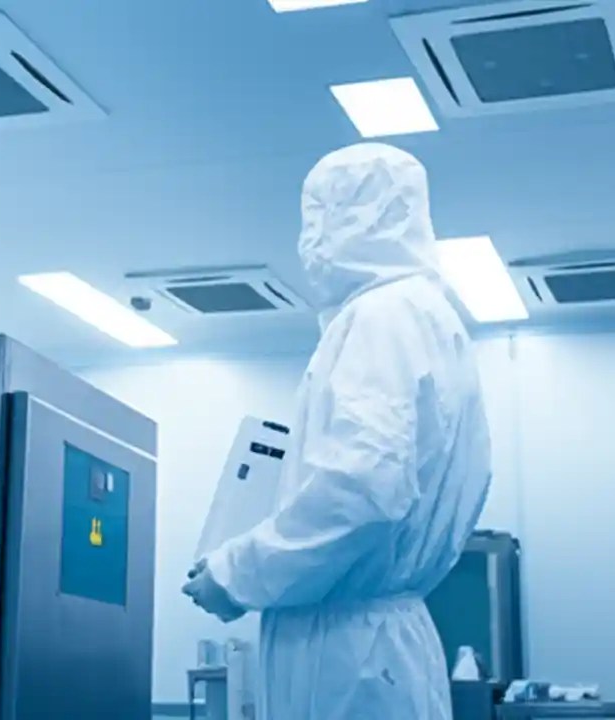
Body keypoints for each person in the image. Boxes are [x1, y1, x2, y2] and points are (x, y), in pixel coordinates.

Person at [182, 142, 492, 719]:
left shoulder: (381, 317)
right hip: (377, 653)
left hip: (351, 663)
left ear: (344, 218)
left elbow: (360, 491)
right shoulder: (425, 317)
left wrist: (235, 572)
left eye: (315, 219)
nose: (308, 243)